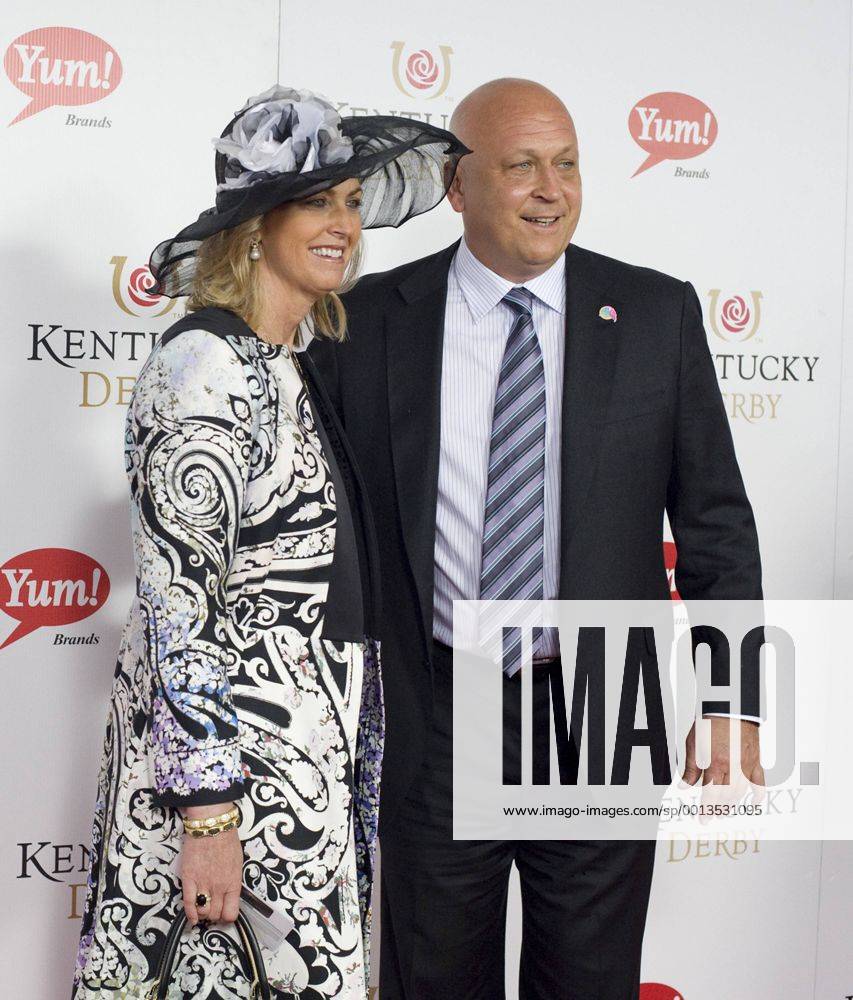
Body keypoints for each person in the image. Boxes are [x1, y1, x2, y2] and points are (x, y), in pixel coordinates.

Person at [308, 78, 764, 999]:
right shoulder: (360, 324)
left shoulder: (655, 314)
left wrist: (733, 694)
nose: (550, 188)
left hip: (596, 707)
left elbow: (714, 522)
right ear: (455, 186)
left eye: (566, 165)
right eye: (520, 167)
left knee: (589, 983)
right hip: (433, 708)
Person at [71, 85, 467, 1000]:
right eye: (316, 201)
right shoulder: (204, 366)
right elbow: (180, 604)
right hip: (233, 788)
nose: (343, 225)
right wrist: (207, 815)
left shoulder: (285, 366)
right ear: (252, 226)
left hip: (299, 774)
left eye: (352, 203)